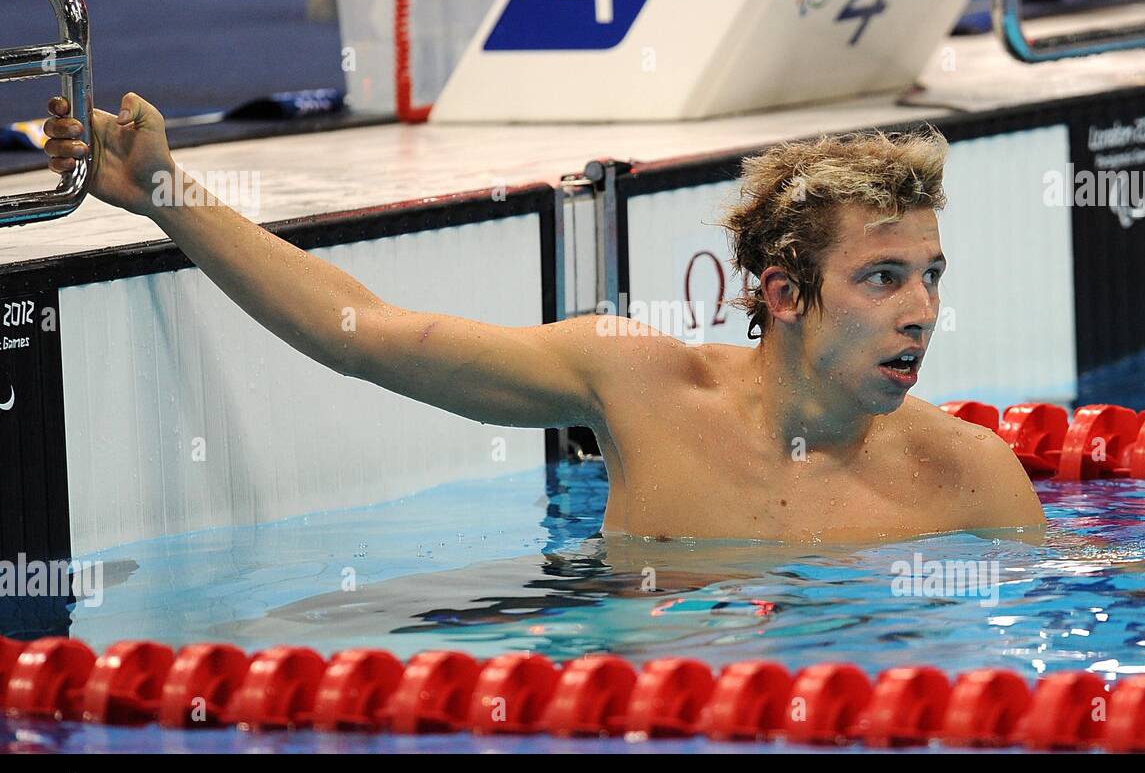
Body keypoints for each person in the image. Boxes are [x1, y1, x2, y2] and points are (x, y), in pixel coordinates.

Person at [43, 92, 1046, 545]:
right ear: (783, 294)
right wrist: (167, 191)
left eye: (930, 274)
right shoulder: (640, 386)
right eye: (882, 277)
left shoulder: (963, 473)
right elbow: (360, 331)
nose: (922, 309)